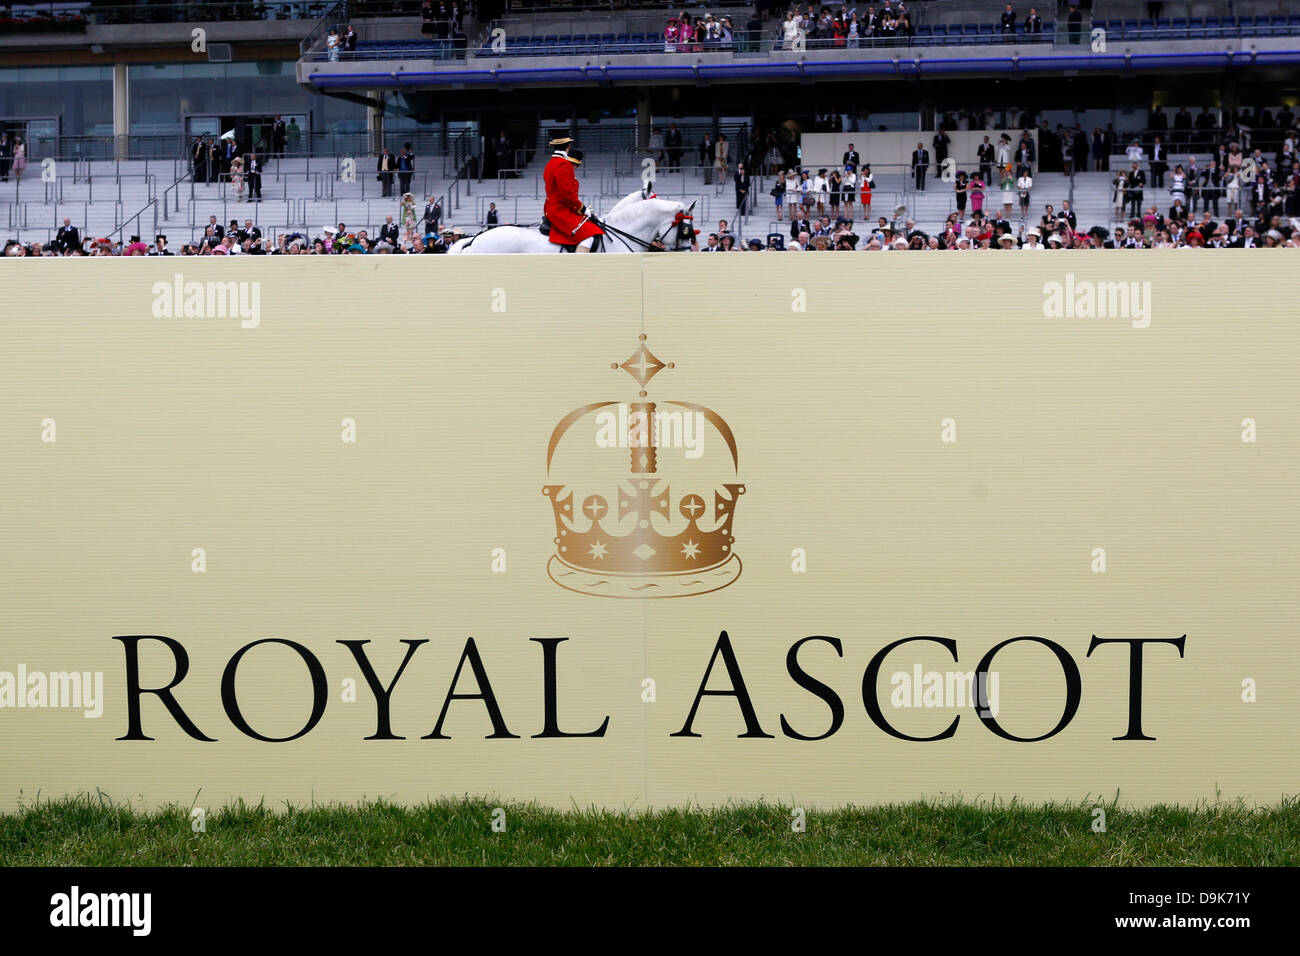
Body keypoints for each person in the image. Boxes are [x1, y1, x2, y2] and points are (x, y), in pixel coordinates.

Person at [542, 133, 603, 252]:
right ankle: (579, 267)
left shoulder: (550, 163)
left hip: (552, 208)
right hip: (560, 210)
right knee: (589, 235)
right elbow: (567, 195)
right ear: (567, 147)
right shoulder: (563, 164)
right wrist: (583, 209)